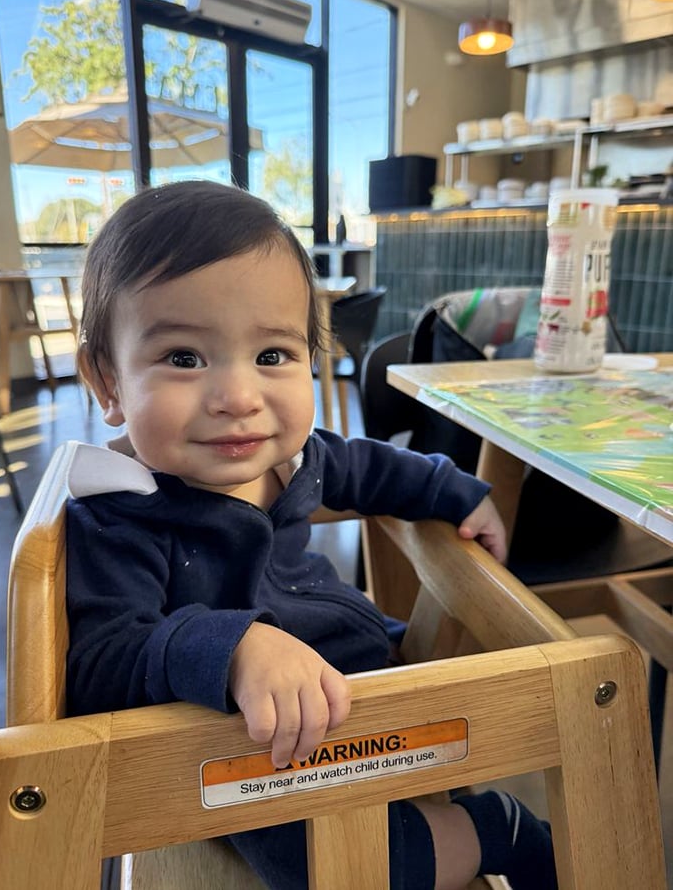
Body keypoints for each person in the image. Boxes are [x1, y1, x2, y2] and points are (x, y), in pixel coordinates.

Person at [65, 180, 557, 890]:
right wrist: (230, 645)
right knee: (318, 865)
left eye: (272, 355)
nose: (238, 396)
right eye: (183, 357)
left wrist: (458, 493)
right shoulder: (117, 514)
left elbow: (375, 465)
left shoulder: (293, 457)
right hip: (243, 746)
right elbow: (99, 667)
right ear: (107, 380)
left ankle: (493, 827)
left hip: (363, 682)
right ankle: (493, 829)